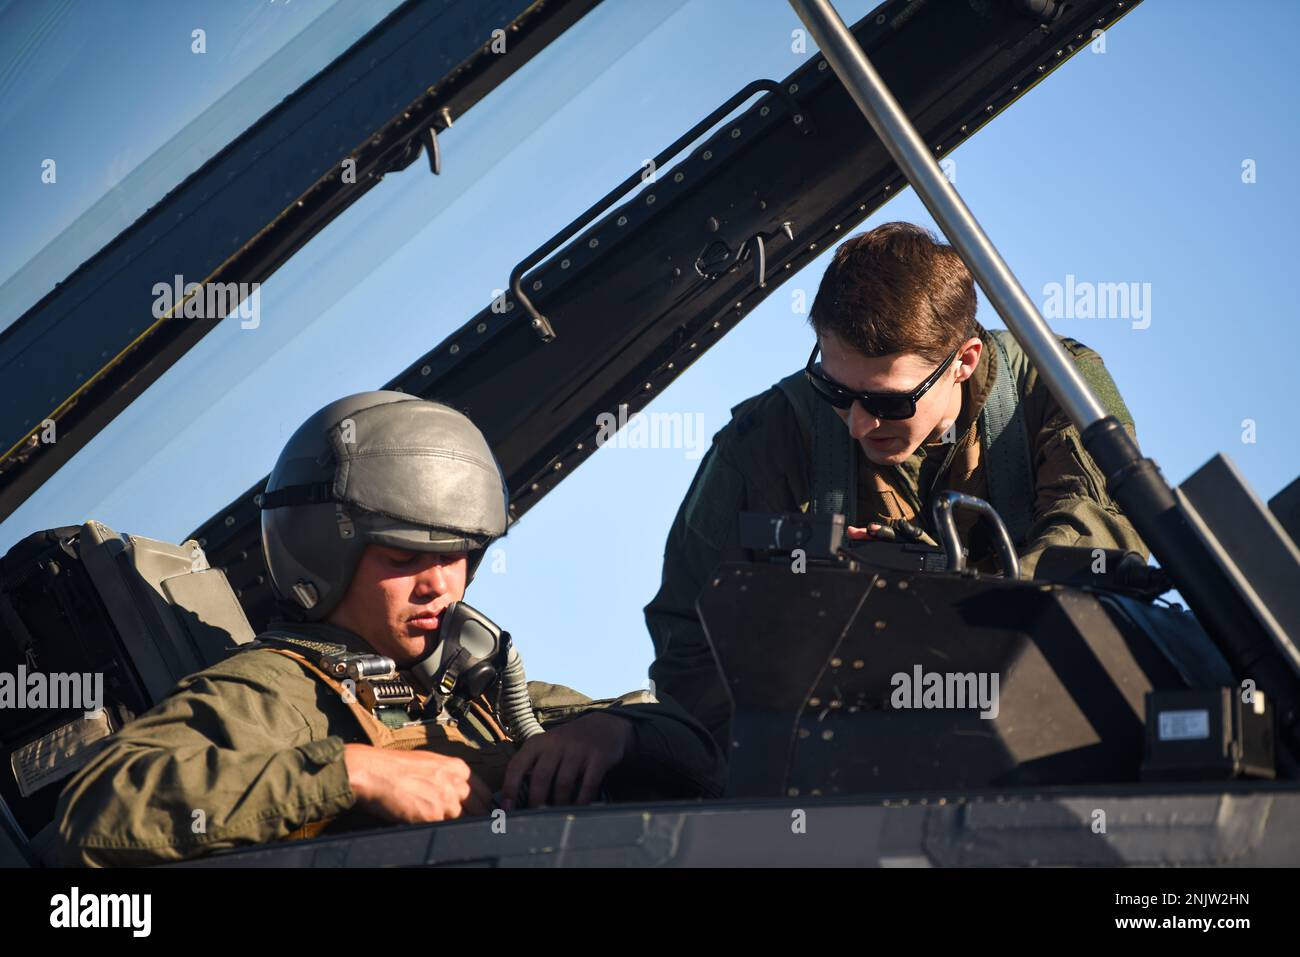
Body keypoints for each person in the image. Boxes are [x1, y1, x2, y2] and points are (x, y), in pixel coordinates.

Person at [54, 392, 723, 866]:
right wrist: (352, 772)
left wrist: (611, 736)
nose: (441, 585)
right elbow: (99, 809)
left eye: (459, 556)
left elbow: (699, 750)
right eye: (403, 559)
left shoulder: (469, 682)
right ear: (323, 551)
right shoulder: (276, 686)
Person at [645, 222, 1147, 751]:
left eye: (889, 403)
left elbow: (1101, 539)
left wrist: (946, 619)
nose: (859, 424)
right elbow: (690, 648)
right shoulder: (763, 442)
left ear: (964, 361)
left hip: (1044, 744)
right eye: (835, 391)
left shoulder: (1058, 384)